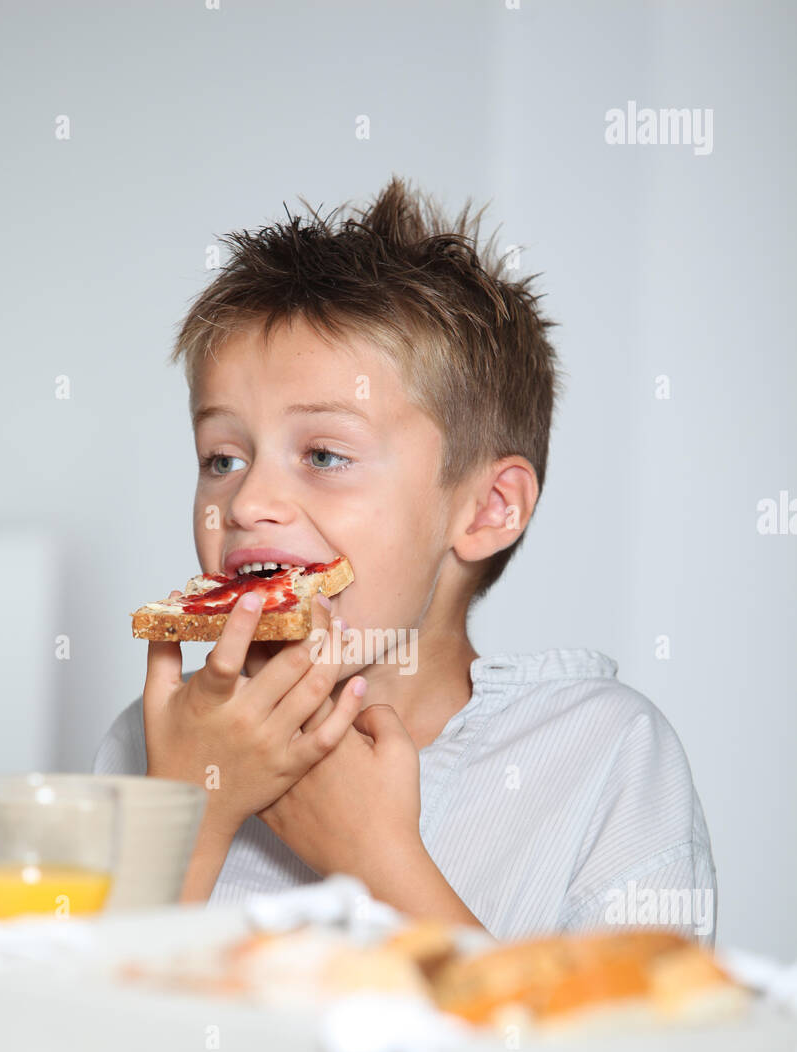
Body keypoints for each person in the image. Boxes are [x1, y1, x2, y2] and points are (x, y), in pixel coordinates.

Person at [93, 175, 716, 943]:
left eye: (323, 453)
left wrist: (378, 859)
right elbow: (76, 1044)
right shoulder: (158, 739)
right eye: (221, 457)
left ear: (488, 510)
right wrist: (189, 806)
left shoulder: (604, 756)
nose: (248, 502)